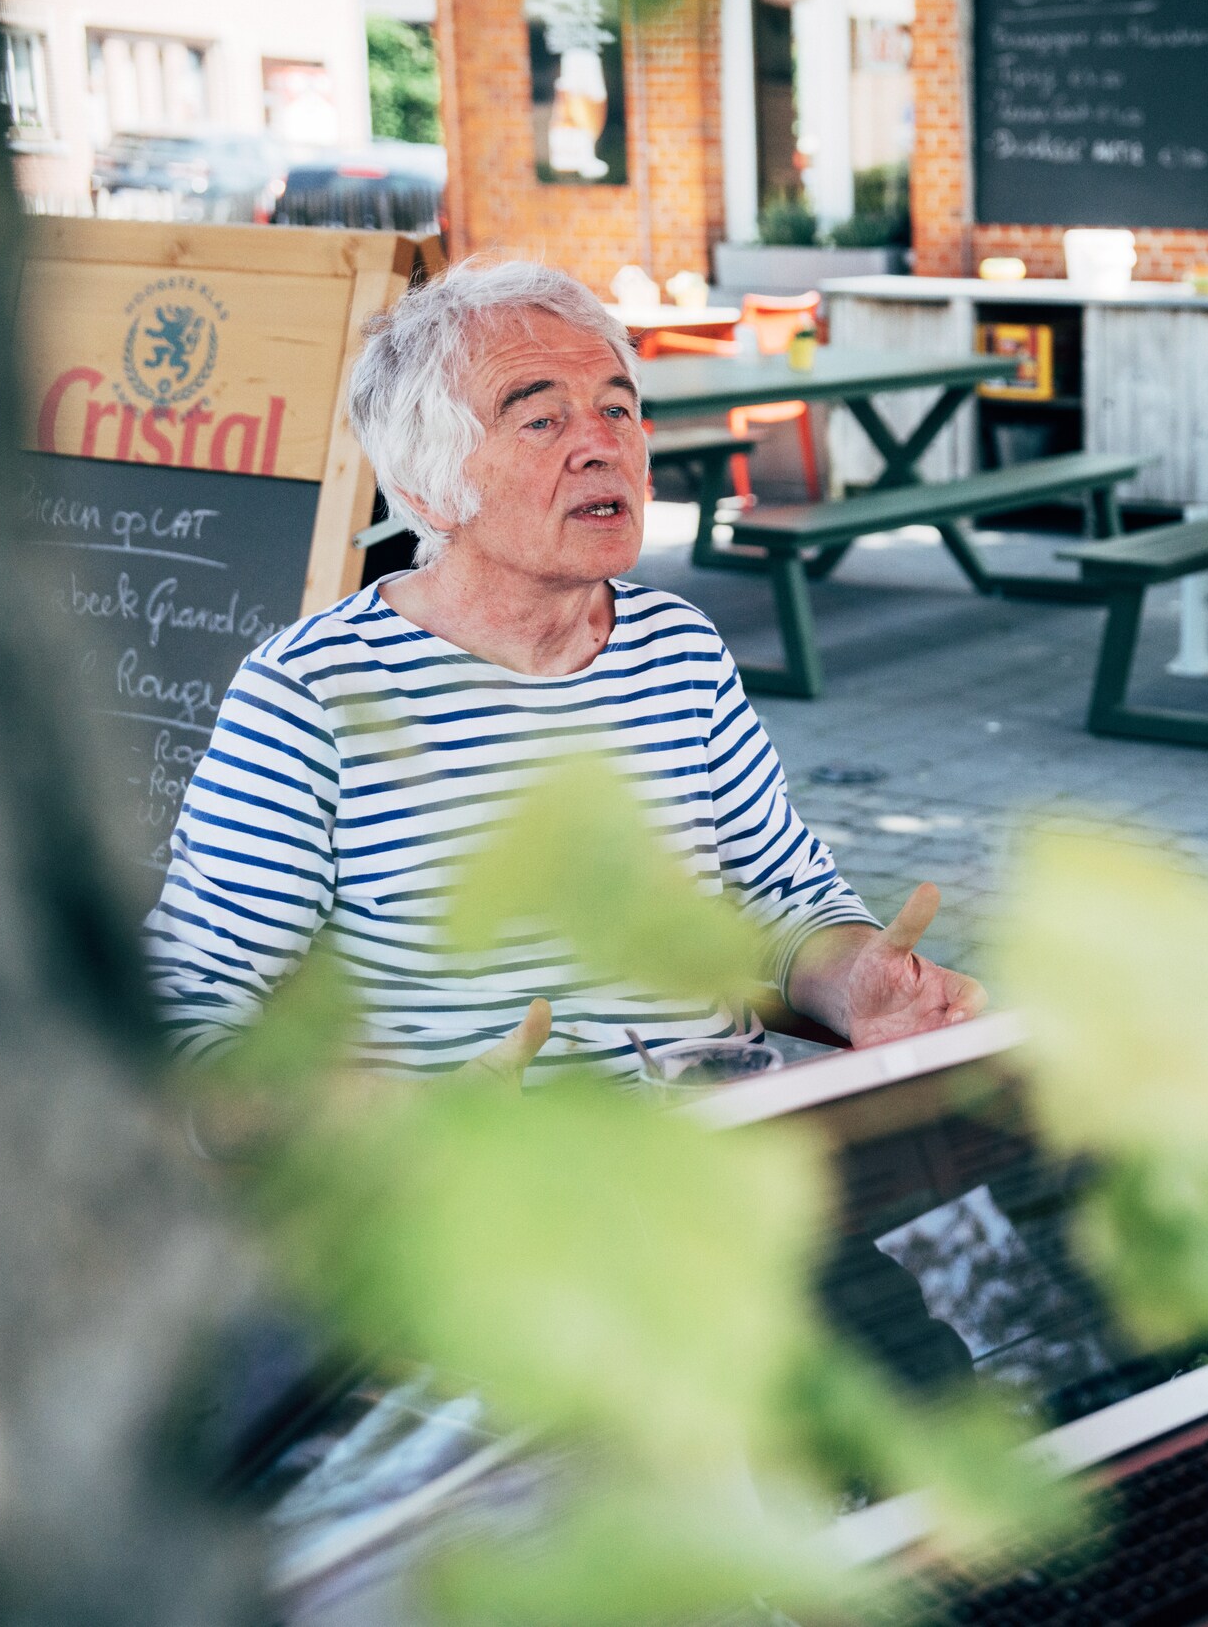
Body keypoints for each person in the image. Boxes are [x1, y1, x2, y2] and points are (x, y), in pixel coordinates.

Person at [145, 258, 983, 1078]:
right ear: (426, 487)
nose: (602, 445)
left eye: (617, 409)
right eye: (542, 420)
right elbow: (184, 1006)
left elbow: (784, 902)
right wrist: (367, 1124)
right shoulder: (313, 693)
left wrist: (856, 981)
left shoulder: (678, 647)